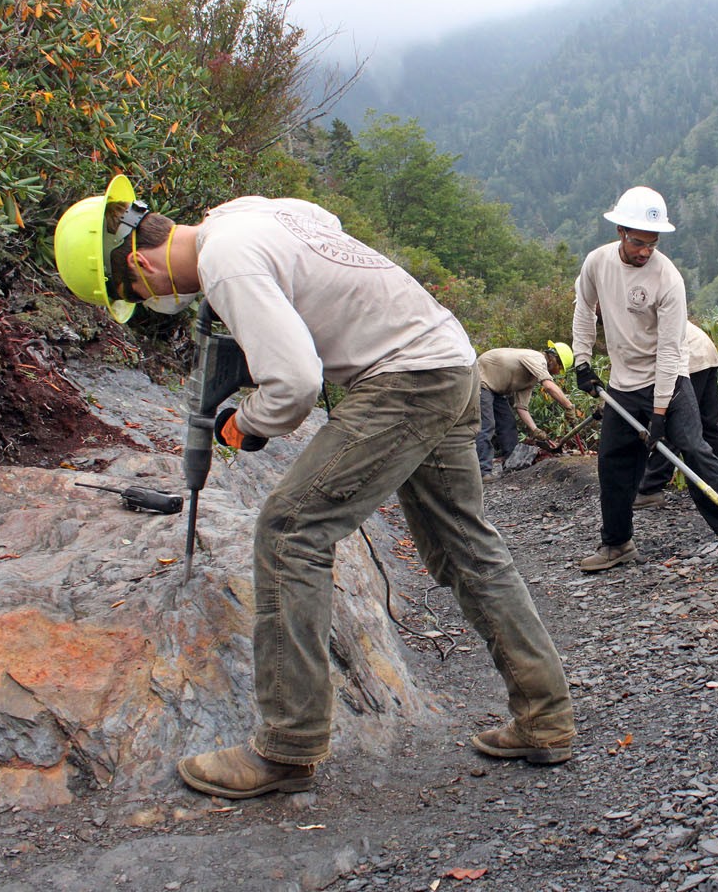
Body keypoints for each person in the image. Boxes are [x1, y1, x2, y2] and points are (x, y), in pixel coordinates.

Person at [53, 176, 576, 798]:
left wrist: (246, 424)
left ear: (138, 264)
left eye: (134, 294)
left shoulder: (226, 259)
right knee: (466, 547)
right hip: (449, 360)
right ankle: (545, 718)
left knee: (289, 531)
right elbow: (316, 220)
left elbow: (296, 383)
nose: (149, 301)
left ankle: (288, 746)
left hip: (403, 382)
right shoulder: (243, 213)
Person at [570, 185, 718, 573]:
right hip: (623, 384)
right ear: (621, 233)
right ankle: (617, 544)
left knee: (694, 451)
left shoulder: (668, 279)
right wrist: (581, 361)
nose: (646, 250)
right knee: (613, 461)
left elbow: (671, 351)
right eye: (639, 242)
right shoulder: (597, 263)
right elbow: (584, 308)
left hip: (669, 381)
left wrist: (660, 412)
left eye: (653, 242)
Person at [633, 320, 718, 509]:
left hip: (690, 357)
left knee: (675, 425)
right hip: (705, 350)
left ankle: (650, 489)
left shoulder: (627, 319)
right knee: (709, 427)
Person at [477, 343, 581, 481]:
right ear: (553, 358)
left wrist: (536, 430)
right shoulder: (537, 358)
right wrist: (569, 406)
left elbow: (521, 408)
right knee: (487, 424)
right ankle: (483, 472)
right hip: (481, 381)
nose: (557, 372)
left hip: (496, 389)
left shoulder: (530, 378)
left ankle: (511, 465)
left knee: (508, 423)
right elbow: (549, 386)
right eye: (559, 367)